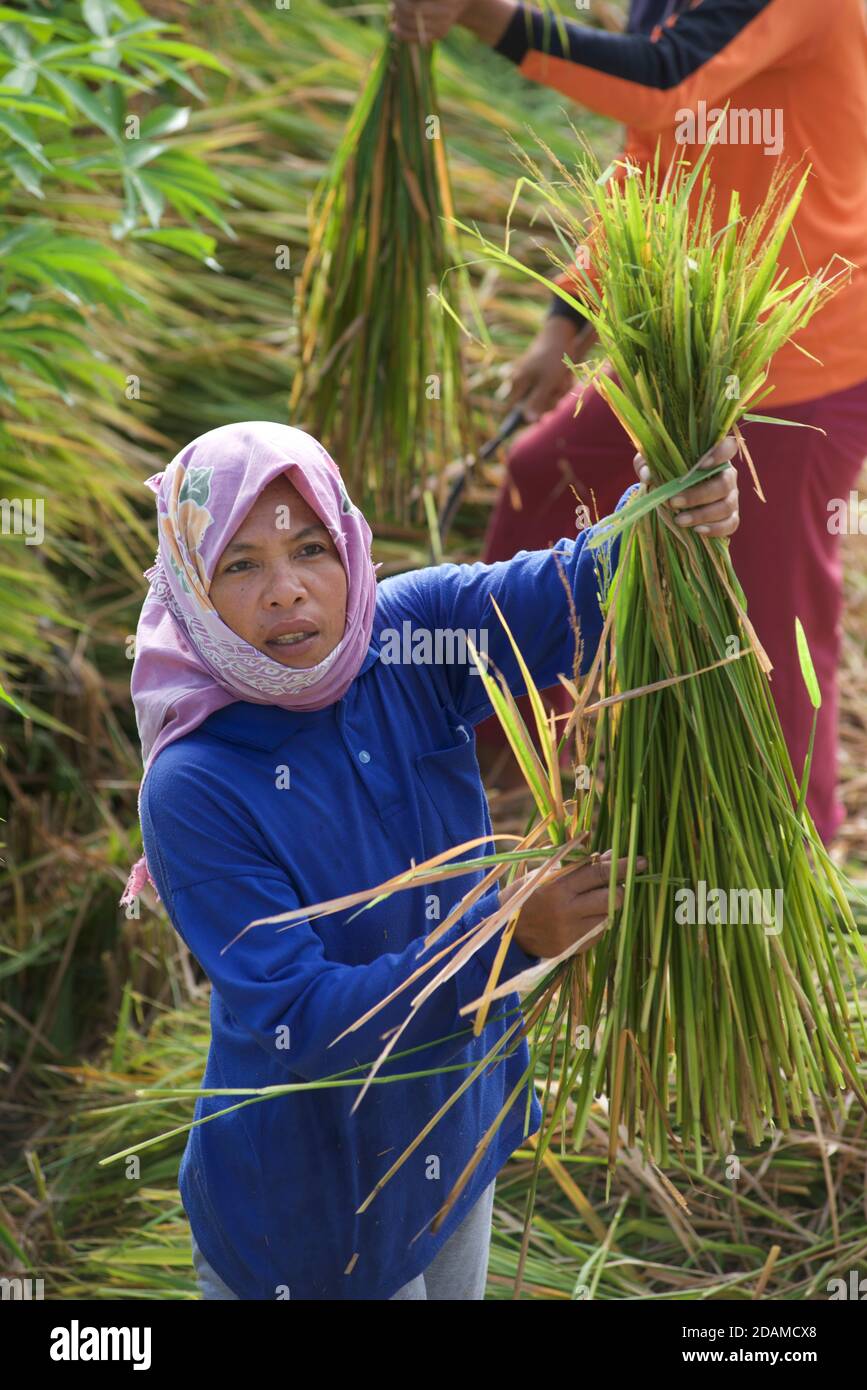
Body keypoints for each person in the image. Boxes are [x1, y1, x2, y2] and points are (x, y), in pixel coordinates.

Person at [119, 420, 739, 1300]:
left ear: (349, 542)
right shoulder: (195, 784)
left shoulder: (404, 638)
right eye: (240, 564)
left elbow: (576, 587)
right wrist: (509, 941)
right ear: (191, 585)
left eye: (309, 548)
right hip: (311, 1206)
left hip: (456, 1125)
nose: (288, 592)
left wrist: (673, 509)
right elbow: (309, 1021)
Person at [392, 0, 867, 843]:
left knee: (766, 609)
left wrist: (484, 16)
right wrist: (565, 319)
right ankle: (517, 766)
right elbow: (648, 157)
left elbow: (660, 86)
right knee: (547, 473)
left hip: (795, 353)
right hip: (677, 333)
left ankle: (792, 849)